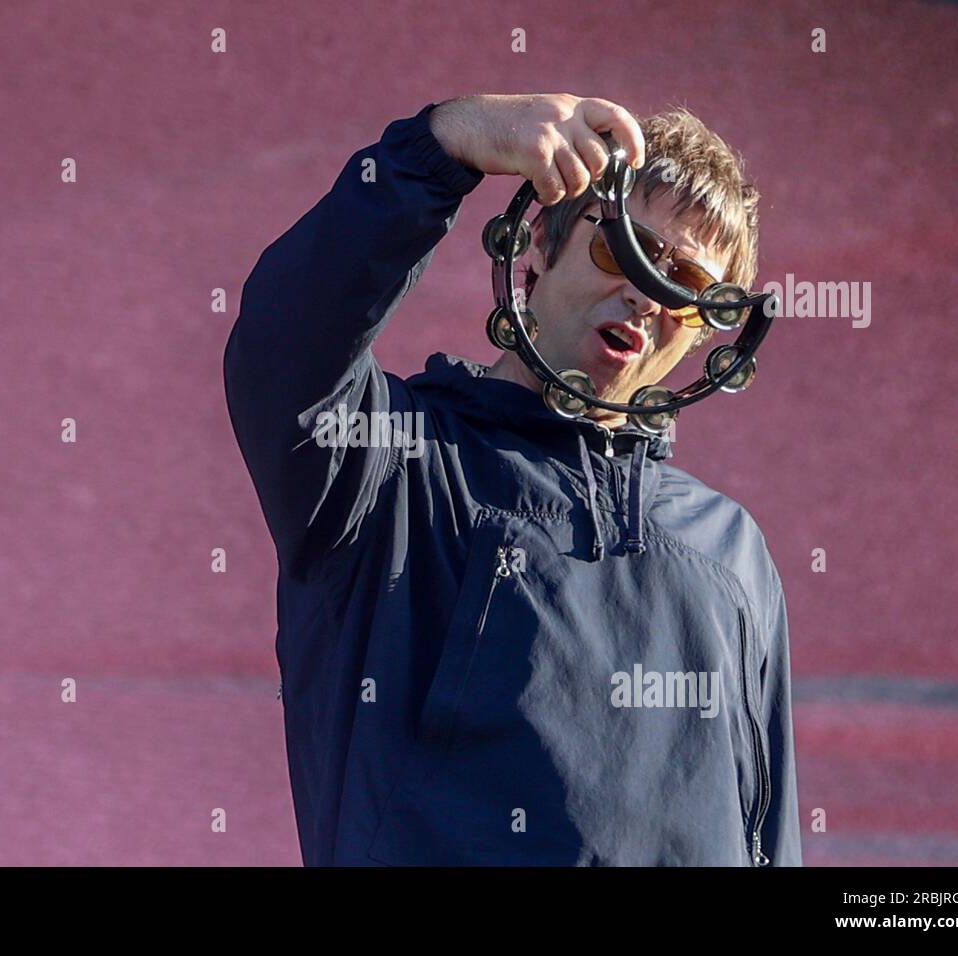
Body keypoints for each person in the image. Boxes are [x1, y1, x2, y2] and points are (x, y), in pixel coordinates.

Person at [223, 93, 801, 866]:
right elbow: (283, 343)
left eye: (685, 286)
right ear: (537, 249)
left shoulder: (731, 553)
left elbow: (769, 833)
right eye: (620, 250)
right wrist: (442, 147)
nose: (644, 294)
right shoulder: (393, 465)